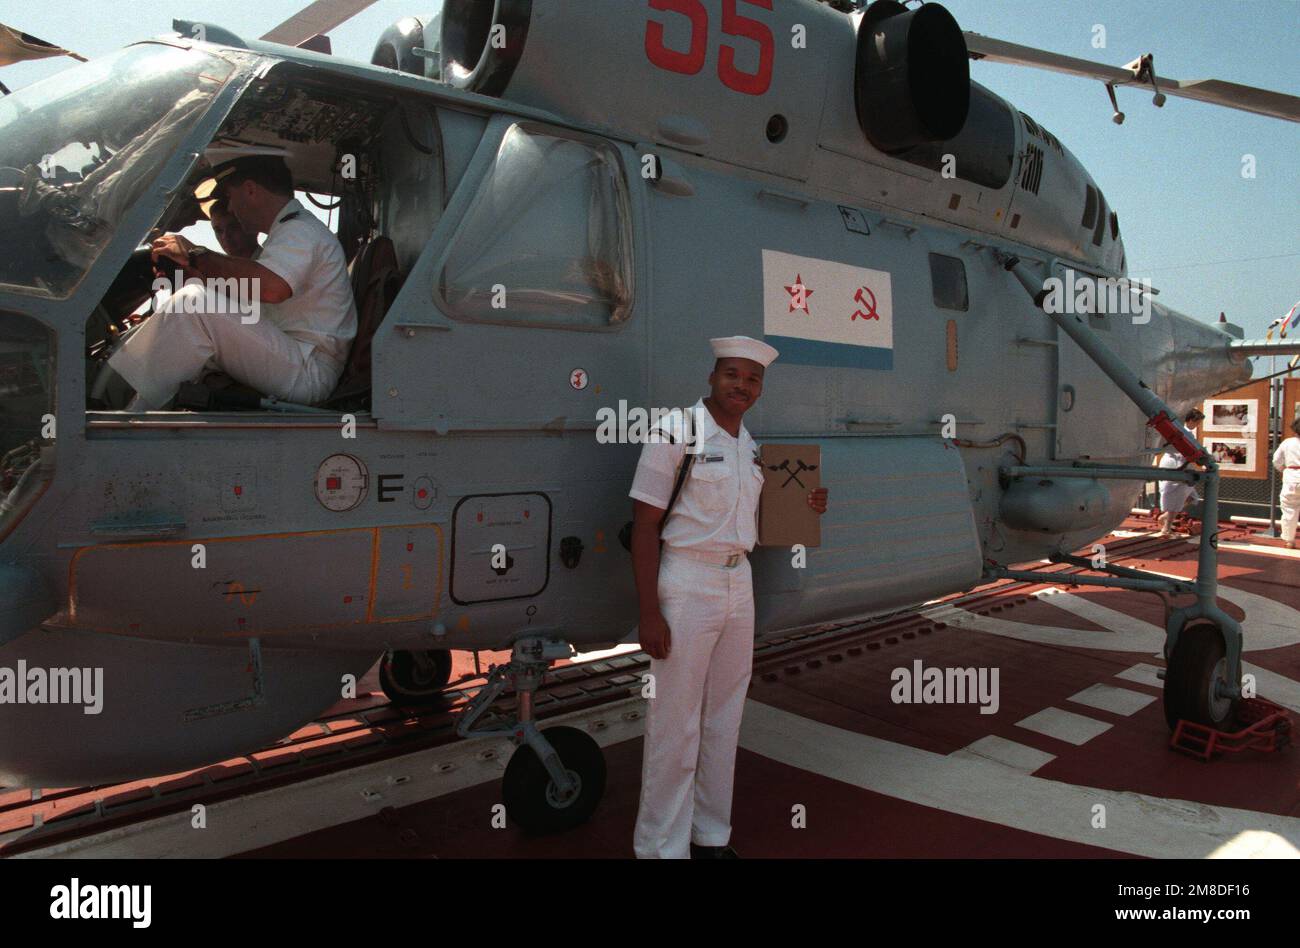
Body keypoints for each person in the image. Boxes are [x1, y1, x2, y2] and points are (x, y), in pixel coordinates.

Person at [628, 335, 829, 859]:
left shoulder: (750, 446)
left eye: (753, 378)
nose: (743, 385)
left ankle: (710, 837)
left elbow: (754, 522)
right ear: (712, 377)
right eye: (733, 374)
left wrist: (806, 505)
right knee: (674, 722)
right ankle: (660, 849)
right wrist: (649, 611)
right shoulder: (674, 432)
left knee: (724, 716)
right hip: (686, 583)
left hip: (738, 583)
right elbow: (645, 527)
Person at [107, 155, 356, 410]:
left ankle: (126, 416)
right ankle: (127, 405)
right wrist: (194, 274)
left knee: (194, 303)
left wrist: (196, 255)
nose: (232, 208)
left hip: (308, 370)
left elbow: (272, 289)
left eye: (230, 196)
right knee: (195, 300)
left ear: (250, 190)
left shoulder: (301, 230)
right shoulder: (285, 235)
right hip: (294, 357)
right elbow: (246, 300)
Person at [1156, 408, 1205, 538]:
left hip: (1168, 464)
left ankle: (1165, 517)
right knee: (1178, 498)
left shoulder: (1170, 430)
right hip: (1180, 467)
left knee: (1188, 497)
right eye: (1197, 422)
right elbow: (1188, 452)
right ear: (1191, 420)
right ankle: (1166, 528)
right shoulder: (1187, 434)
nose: (1198, 425)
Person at [1272, 416, 1300, 550]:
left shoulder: (1287, 443)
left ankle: (1289, 541)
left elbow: (1276, 460)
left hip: (1291, 478)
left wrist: (1283, 469)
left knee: (1289, 509)